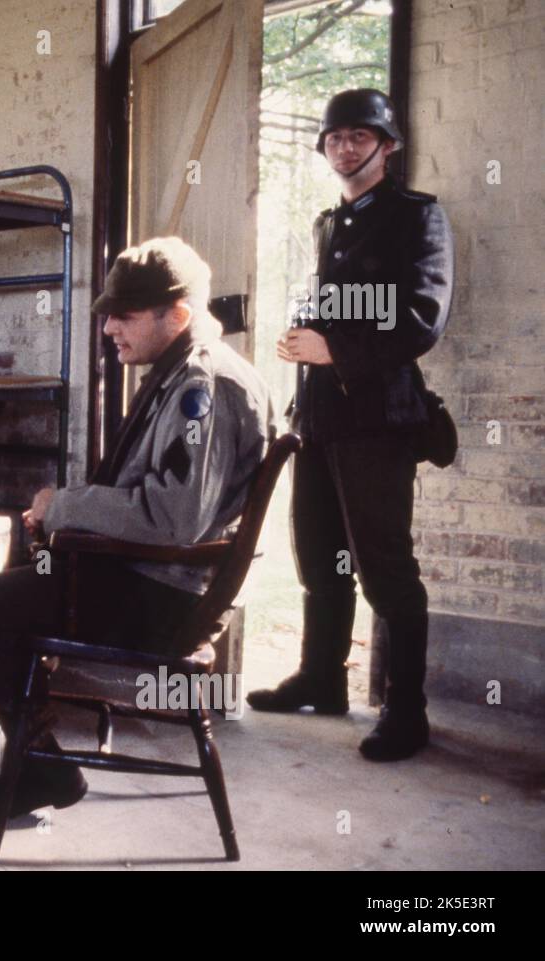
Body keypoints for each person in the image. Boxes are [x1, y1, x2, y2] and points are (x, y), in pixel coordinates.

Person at [0, 237, 276, 821]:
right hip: (151, 580)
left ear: (178, 315)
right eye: (108, 316)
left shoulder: (205, 387)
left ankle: (41, 766)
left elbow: (175, 518)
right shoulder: (182, 374)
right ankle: (35, 756)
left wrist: (66, 507)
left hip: (161, 599)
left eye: (125, 316)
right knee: (17, 579)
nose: (110, 330)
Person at [246, 89, 454, 763]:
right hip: (323, 417)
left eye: (359, 136)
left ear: (387, 146)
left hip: (378, 420)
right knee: (317, 557)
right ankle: (321, 678)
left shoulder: (417, 217)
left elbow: (423, 316)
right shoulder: (328, 222)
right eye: (334, 137)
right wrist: (304, 346)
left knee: (386, 569)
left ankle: (407, 709)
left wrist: (335, 350)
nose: (344, 146)